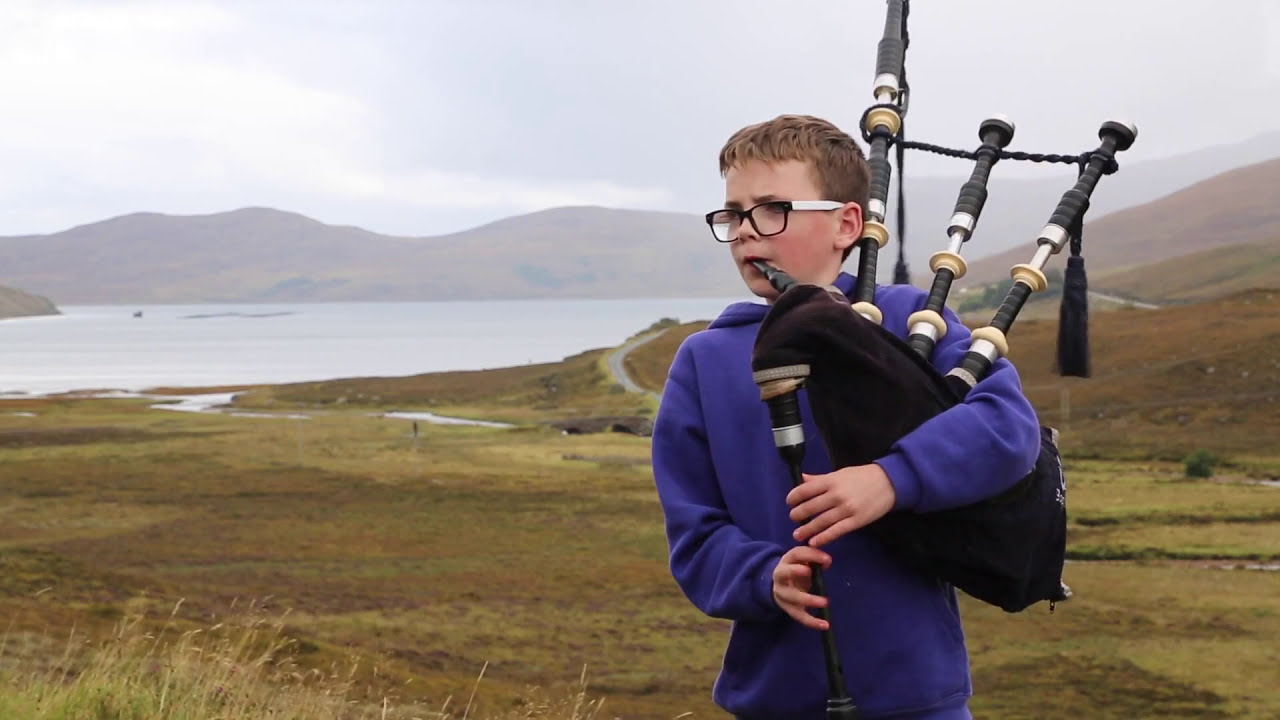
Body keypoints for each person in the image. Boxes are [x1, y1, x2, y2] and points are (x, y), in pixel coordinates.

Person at [649, 114, 1042, 719]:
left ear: (847, 224)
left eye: (774, 208)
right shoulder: (704, 362)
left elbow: (1005, 426)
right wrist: (763, 575)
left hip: (919, 699)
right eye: (734, 214)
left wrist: (891, 480)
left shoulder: (913, 322)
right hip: (774, 701)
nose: (749, 232)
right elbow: (697, 537)